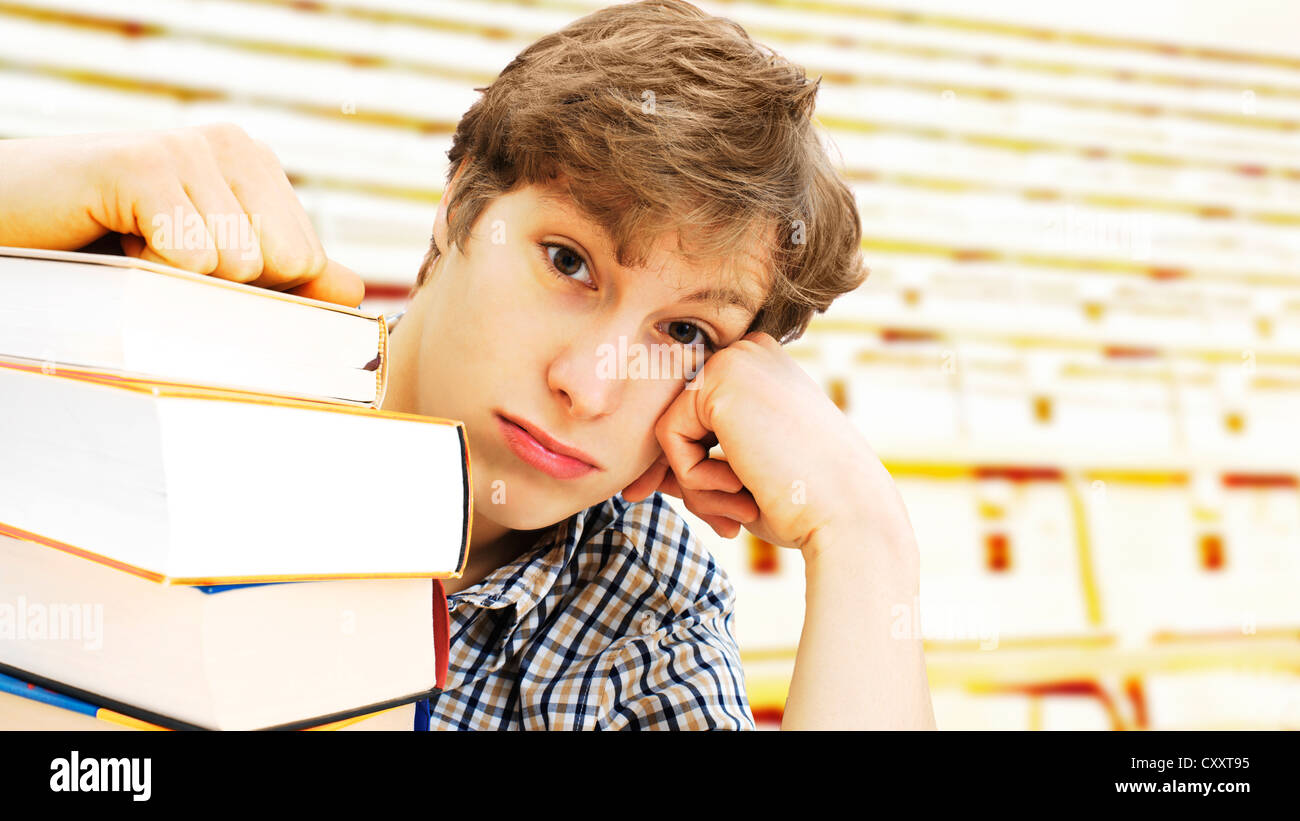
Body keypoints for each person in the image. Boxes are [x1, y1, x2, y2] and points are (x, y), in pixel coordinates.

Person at [0, 0, 935, 730]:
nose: (590, 383)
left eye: (684, 334)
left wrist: (864, 538)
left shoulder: (643, 599)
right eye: (569, 262)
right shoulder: (196, 361)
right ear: (458, 210)